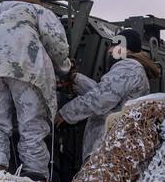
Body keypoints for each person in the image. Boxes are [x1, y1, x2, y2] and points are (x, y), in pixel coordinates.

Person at [0, 0, 72, 181]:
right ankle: (34, 175)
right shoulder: (37, 10)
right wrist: (65, 69)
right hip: (25, 67)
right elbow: (57, 44)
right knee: (31, 122)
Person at [56, 27, 159, 160]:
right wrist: (76, 80)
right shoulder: (132, 69)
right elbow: (106, 93)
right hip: (112, 146)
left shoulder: (128, 67)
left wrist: (66, 113)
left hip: (108, 147)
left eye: (115, 46)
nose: (110, 50)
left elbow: (101, 98)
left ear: (126, 49)